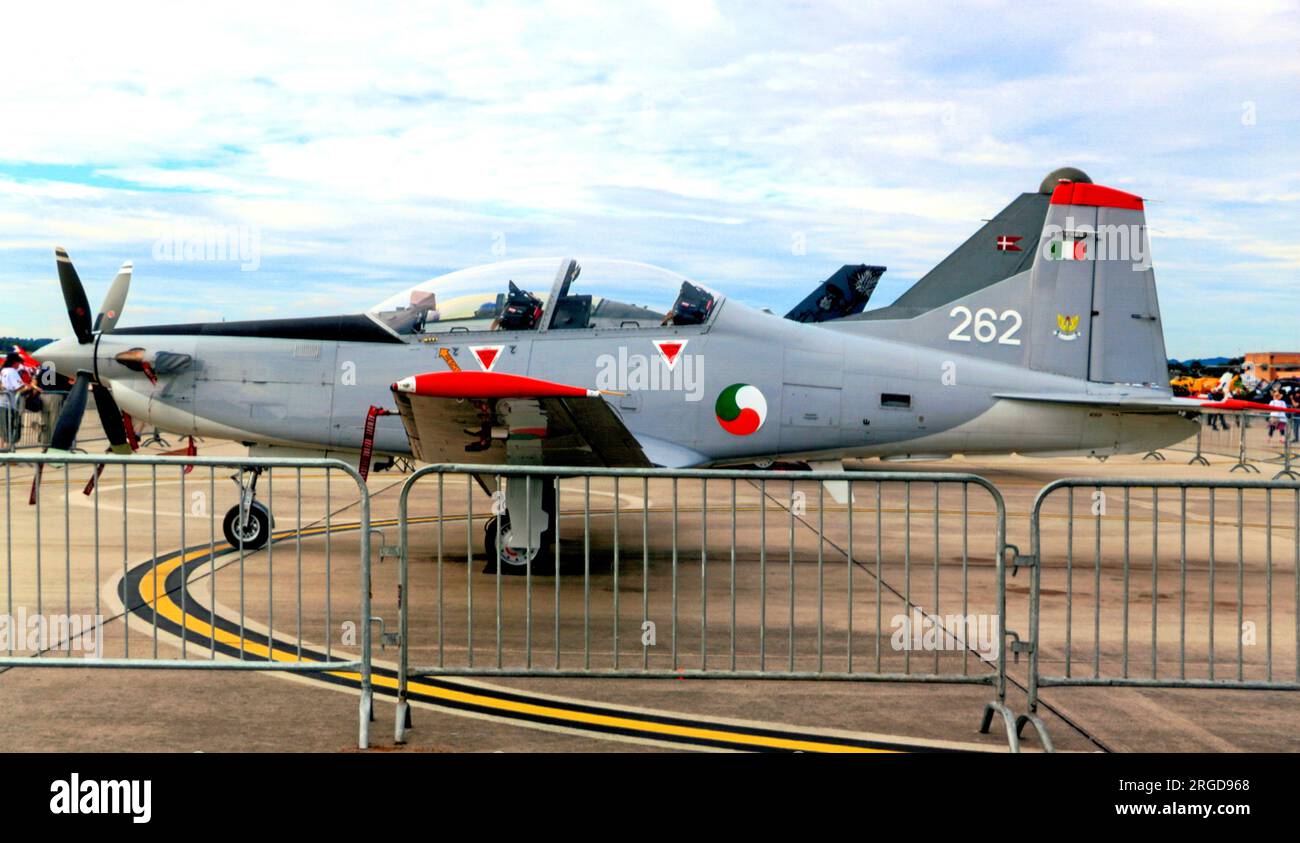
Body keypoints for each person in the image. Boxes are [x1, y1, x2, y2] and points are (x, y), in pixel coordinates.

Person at [1, 352, 29, 448]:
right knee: (11, 430)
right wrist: (29, 387)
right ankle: (9, 455)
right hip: (10, 404)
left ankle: (3, 454)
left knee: (3, 431)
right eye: (19, 363)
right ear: (15, 362)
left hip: (2, 402)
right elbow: (19, 388)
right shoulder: (12, 371)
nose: (19, 365)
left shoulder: (3, 370)